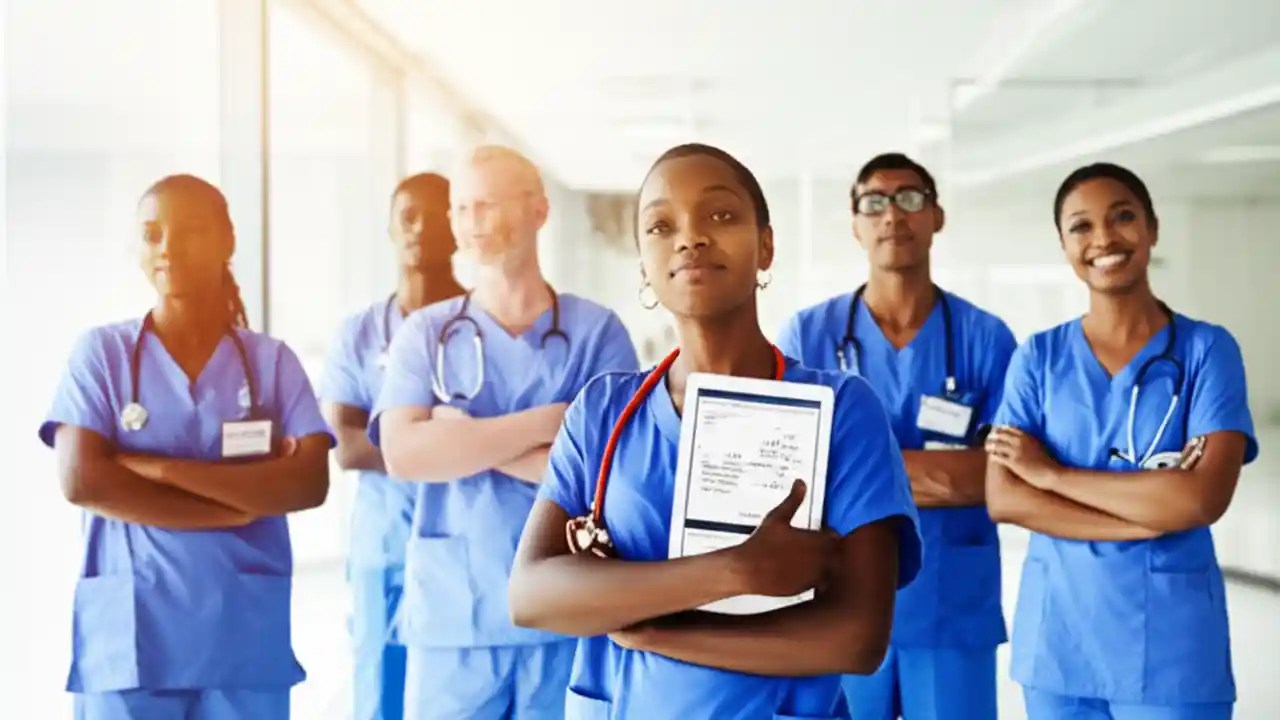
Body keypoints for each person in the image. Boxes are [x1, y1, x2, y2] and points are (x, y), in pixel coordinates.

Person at [508, 143, 924, 719]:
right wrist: (735, 570)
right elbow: (531, 596)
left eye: (722, 216)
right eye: (660, 225)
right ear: (644, 266)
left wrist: (650, 629)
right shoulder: (603, 409)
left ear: (766, 247)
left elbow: (856, 639)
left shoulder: (841, 408)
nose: (690, 237)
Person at [39, 174, 333, 719]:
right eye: (152, 234)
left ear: (228, 241)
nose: (168, 247)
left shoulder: (270, 363)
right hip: (130, 641)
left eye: (190, 231)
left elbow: (308, 483)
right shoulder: (101, 355)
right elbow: (82, 481)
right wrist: (237, 507)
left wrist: (162, 468)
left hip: (239, 636)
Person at [370, 145, 640, 720]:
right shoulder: (426, 333)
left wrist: (463, 440)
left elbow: (609, 471)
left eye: (487, 205)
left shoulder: (597, 332)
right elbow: (403, 454)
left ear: (539, 212)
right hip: (454, 619)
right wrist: (548, 425)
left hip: (567, 612)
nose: (471, 224)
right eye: (461, 209)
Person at [985, 162, 1258, 720]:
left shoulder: (1207, 352)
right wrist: (1145, 515)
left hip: (1172, 649)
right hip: (1057, 645)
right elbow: (1005, 498)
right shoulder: (1038, 357)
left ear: (1153, 228)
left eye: (1123, 217)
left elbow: (1201, 500)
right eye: (1081, 226)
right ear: (1063, 245)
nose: (1104, 238)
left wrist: (1051, 475)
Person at [777, 153, 1015, 720]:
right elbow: (790, 472)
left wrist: (856, 472)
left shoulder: (986, 338)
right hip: (837, 600)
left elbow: (1002, 476)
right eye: (874, 202)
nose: (892, 215)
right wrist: (948, 474)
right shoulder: (810, 335)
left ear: (936, 216)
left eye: (910, 198)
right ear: (856, 224)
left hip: (950, 604)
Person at [321, 172, 467, 720]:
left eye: (439, 216)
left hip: (468, 547)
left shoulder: (484, 325)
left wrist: (409, 446)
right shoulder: (358, 333)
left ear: (459, 231)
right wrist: (449, 449)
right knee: (380, 693)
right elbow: (349, 447)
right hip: (383, 548)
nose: (422, 229)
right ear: (388, 227)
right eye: (408, 216)